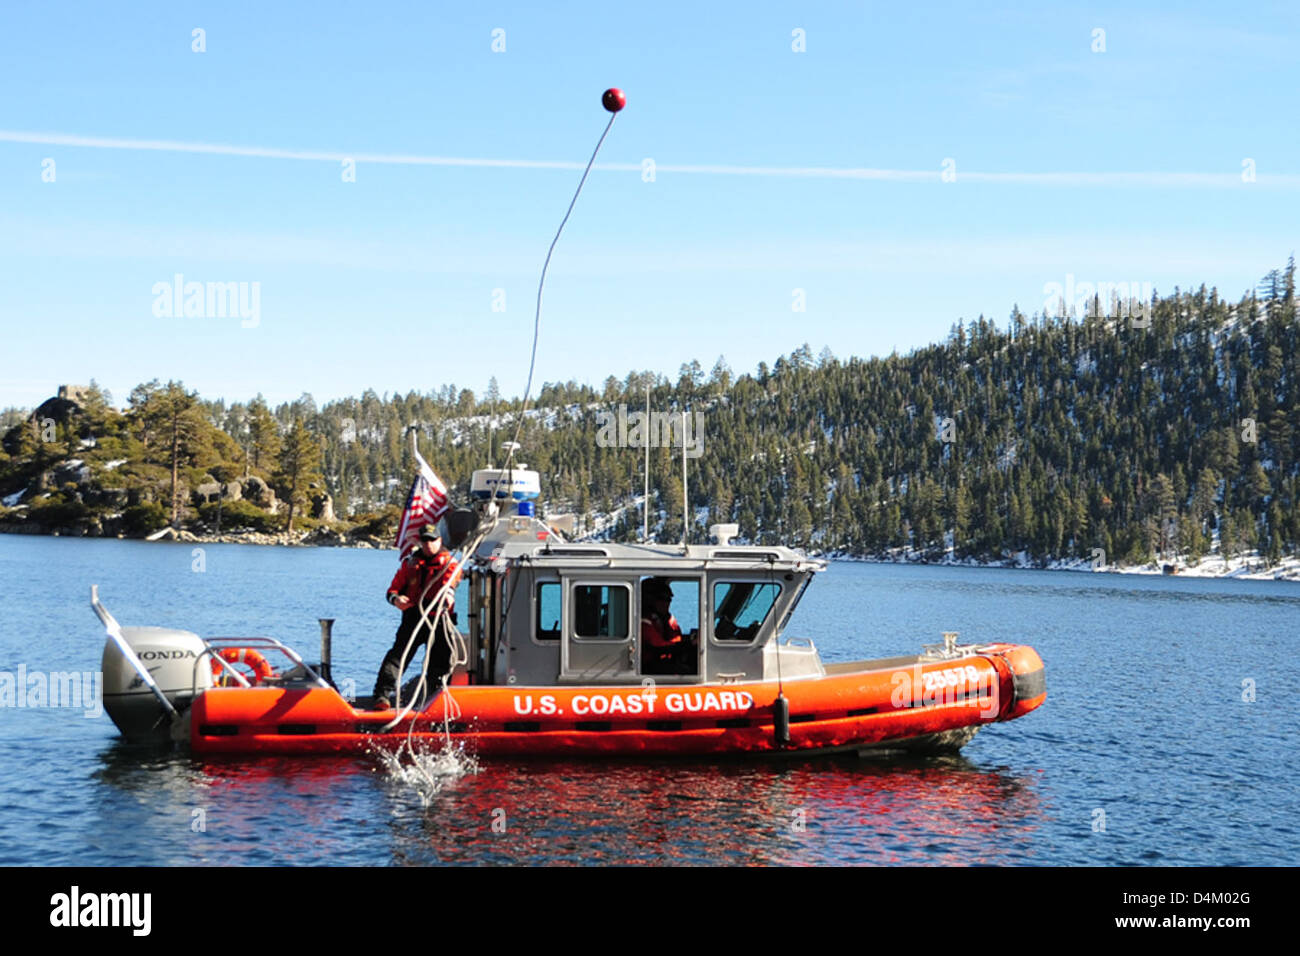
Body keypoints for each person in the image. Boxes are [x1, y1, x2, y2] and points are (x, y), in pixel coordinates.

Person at [371, 525, 460, 710]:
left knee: (441, 662)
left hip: (439, 619)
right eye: (425, 540)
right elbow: (392, 590)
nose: (428, 544)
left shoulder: (449, 564)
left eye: (432, 540)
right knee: (398, 657)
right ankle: (382, 696)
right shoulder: (410, 563)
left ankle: (435, 701)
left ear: (440, 541)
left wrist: (448, 596)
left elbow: (451, 583)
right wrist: (396, 599)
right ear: (420, 542)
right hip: (413, 616)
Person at [640, 578, 695, 675]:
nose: (666, 603)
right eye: (661, 599)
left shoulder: (667, 619)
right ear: (649, 599)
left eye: (668, 599)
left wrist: (691, 641)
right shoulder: (644, 622)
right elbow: (659, 647)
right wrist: (689, 644)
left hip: (667, 660)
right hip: (650, 667)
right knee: (686, 671)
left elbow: (675, 640)